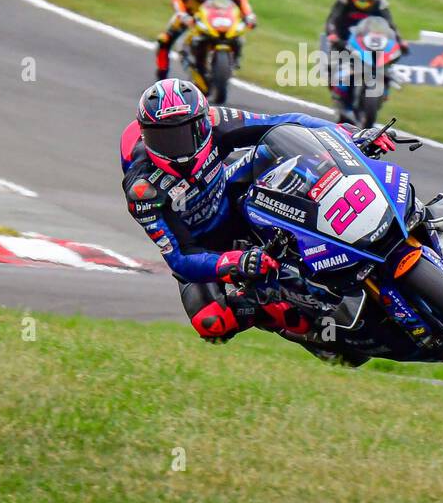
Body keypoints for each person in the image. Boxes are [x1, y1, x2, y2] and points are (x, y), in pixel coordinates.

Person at [121, 78, 392, 342]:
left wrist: (347, 135)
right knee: (212, 322)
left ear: (203, 124)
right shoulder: (143, 189)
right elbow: (181, 257)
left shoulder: (218, 122)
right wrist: (235, 262)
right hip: (203, 246)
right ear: (146, 136)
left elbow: (287, 123)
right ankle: (281, 311)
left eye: (184, 133)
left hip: (232, 194)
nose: (176, 147)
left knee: (287, 156)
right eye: (163, 138)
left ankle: (342, 238)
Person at [155, 0, 256, 80]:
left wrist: (249, 15)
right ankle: (161, 75)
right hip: (190, 14)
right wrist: (183, 15)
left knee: (238, 35)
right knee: (164, 40)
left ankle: (234, 62)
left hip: (215, 14)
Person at [324, 0, 409, 54]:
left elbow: (391, 25)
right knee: (332, 63)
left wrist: (400, 41)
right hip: (342, 41)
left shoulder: (380, 4)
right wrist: (333, 35)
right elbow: (332, 19)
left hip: (366, 44)